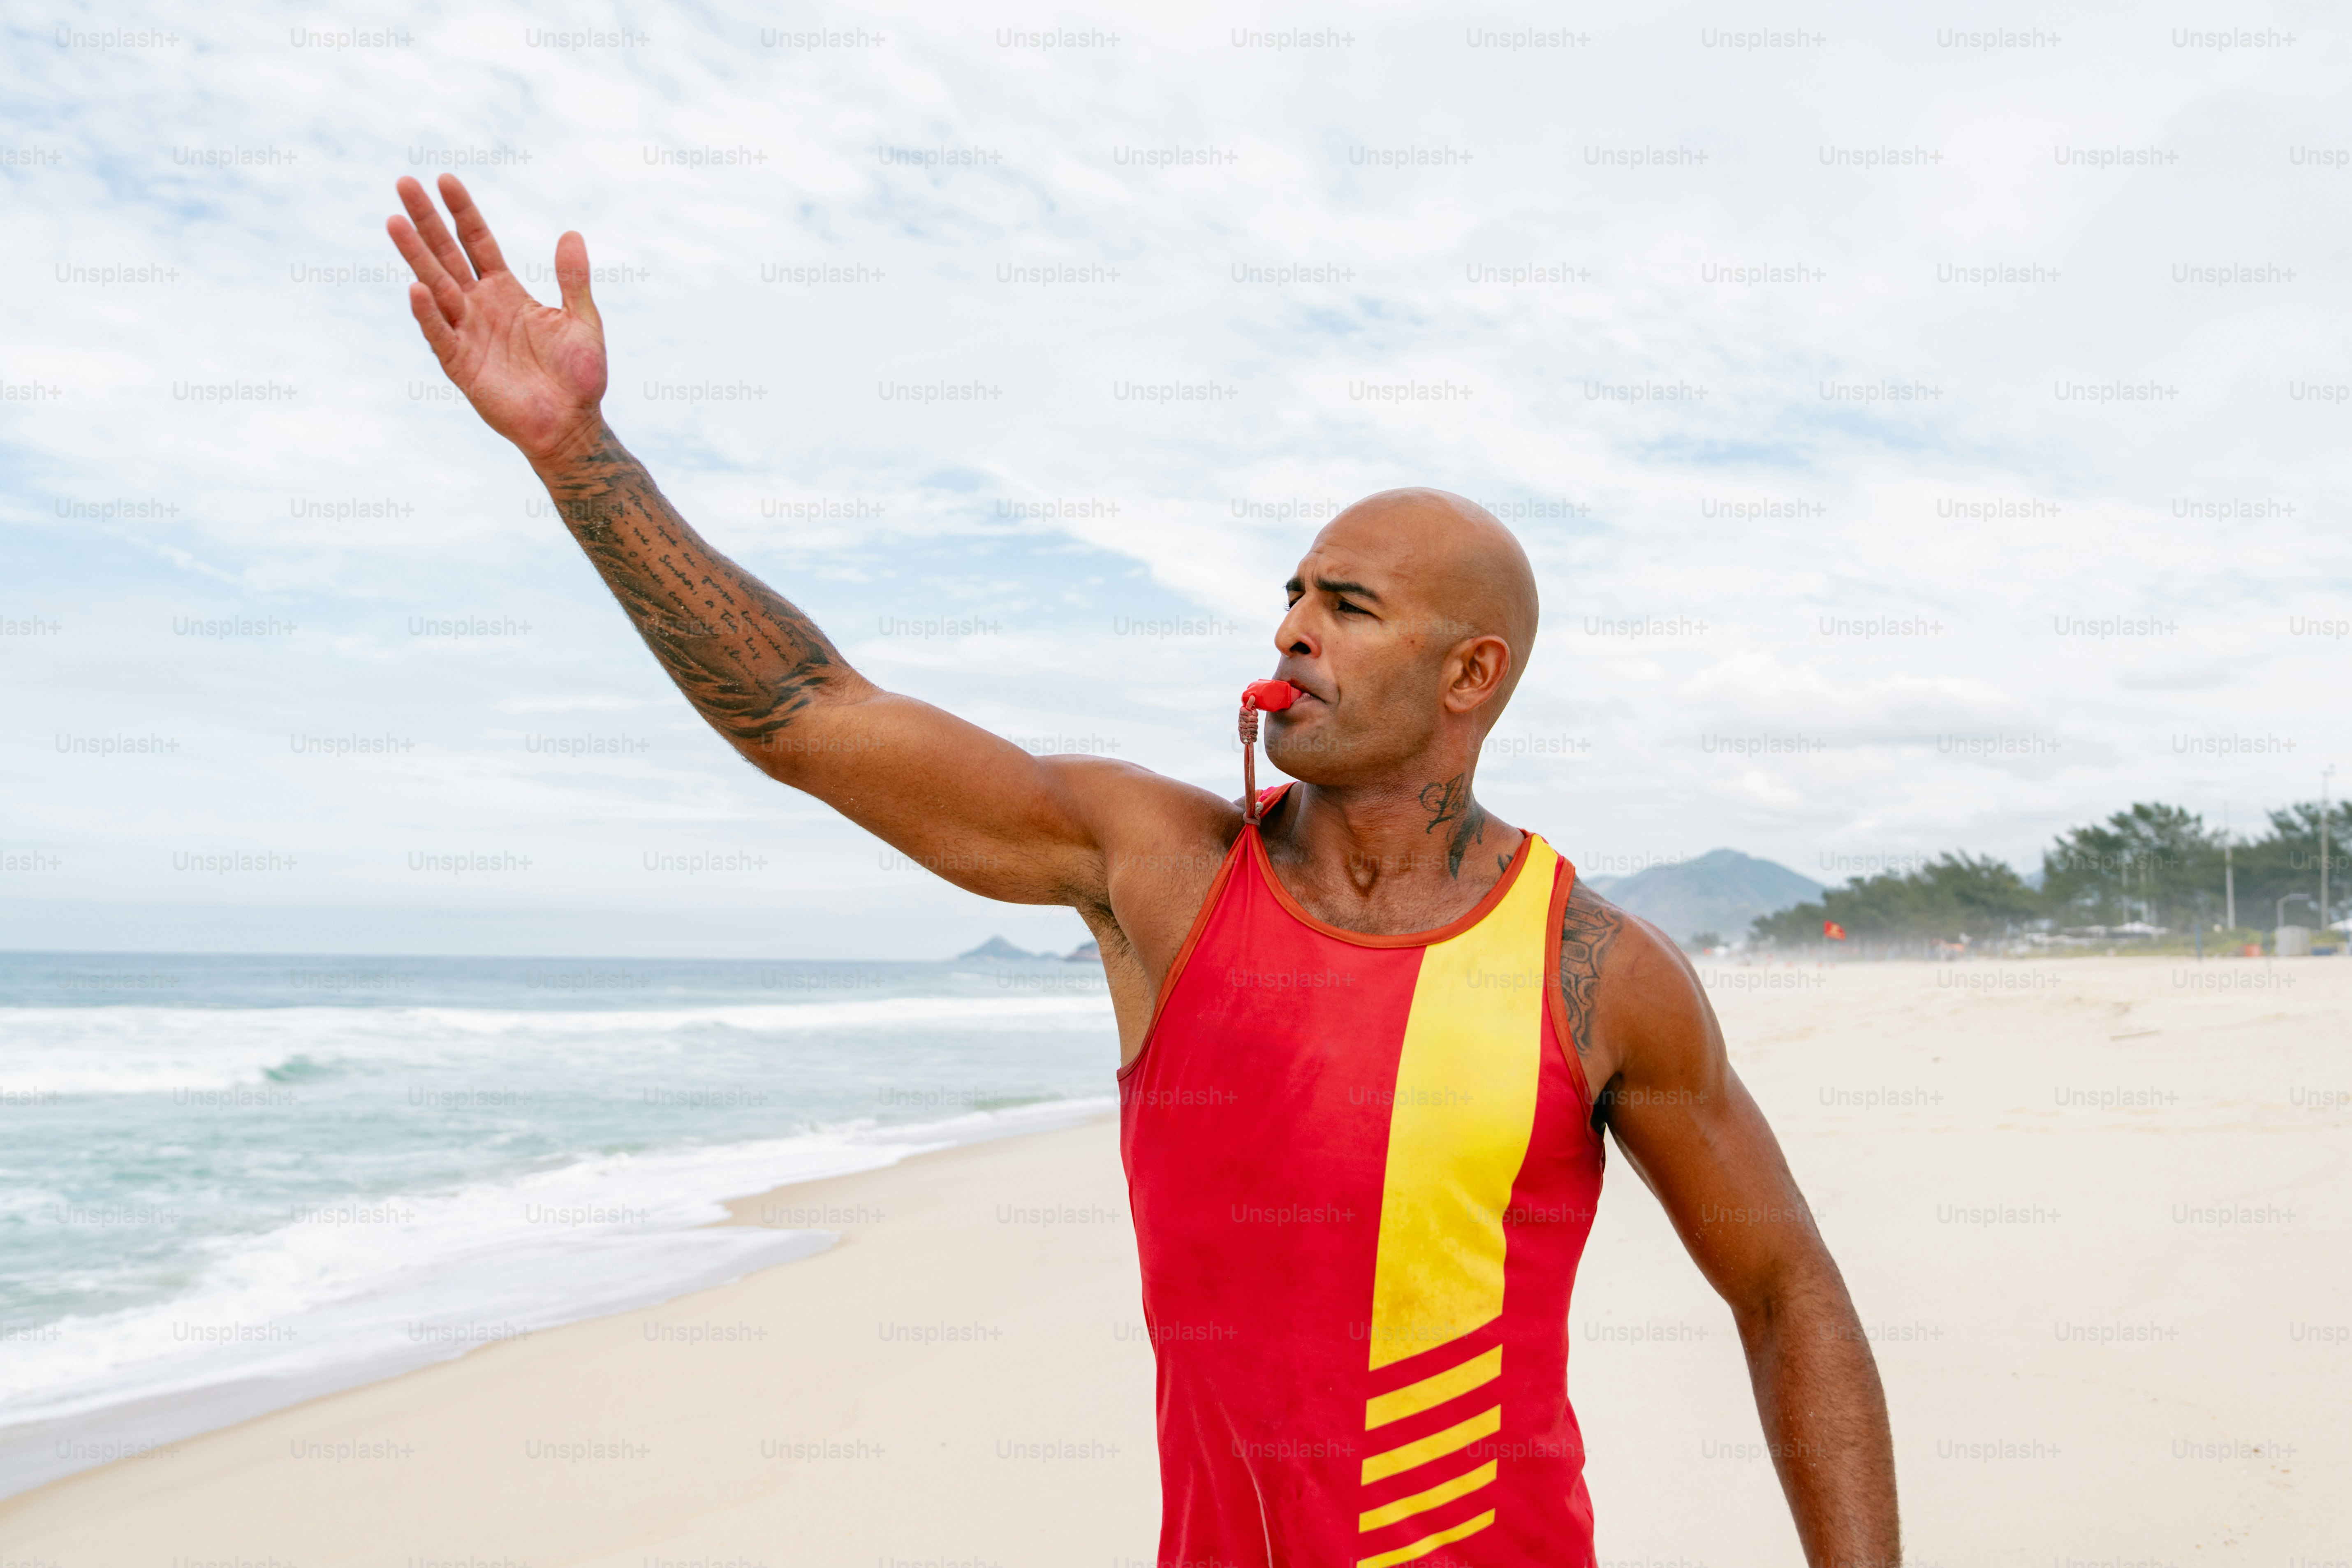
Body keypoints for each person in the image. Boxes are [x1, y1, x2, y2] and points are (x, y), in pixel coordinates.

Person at [387, 173, 1899, 1568]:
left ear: (1470, 672)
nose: (1292, 628)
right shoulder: (1161, 872)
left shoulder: (1600, 974)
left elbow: (1789, 1296)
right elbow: (805, 712)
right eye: (1291, 593)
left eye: (1349, 605)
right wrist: (577, 454)